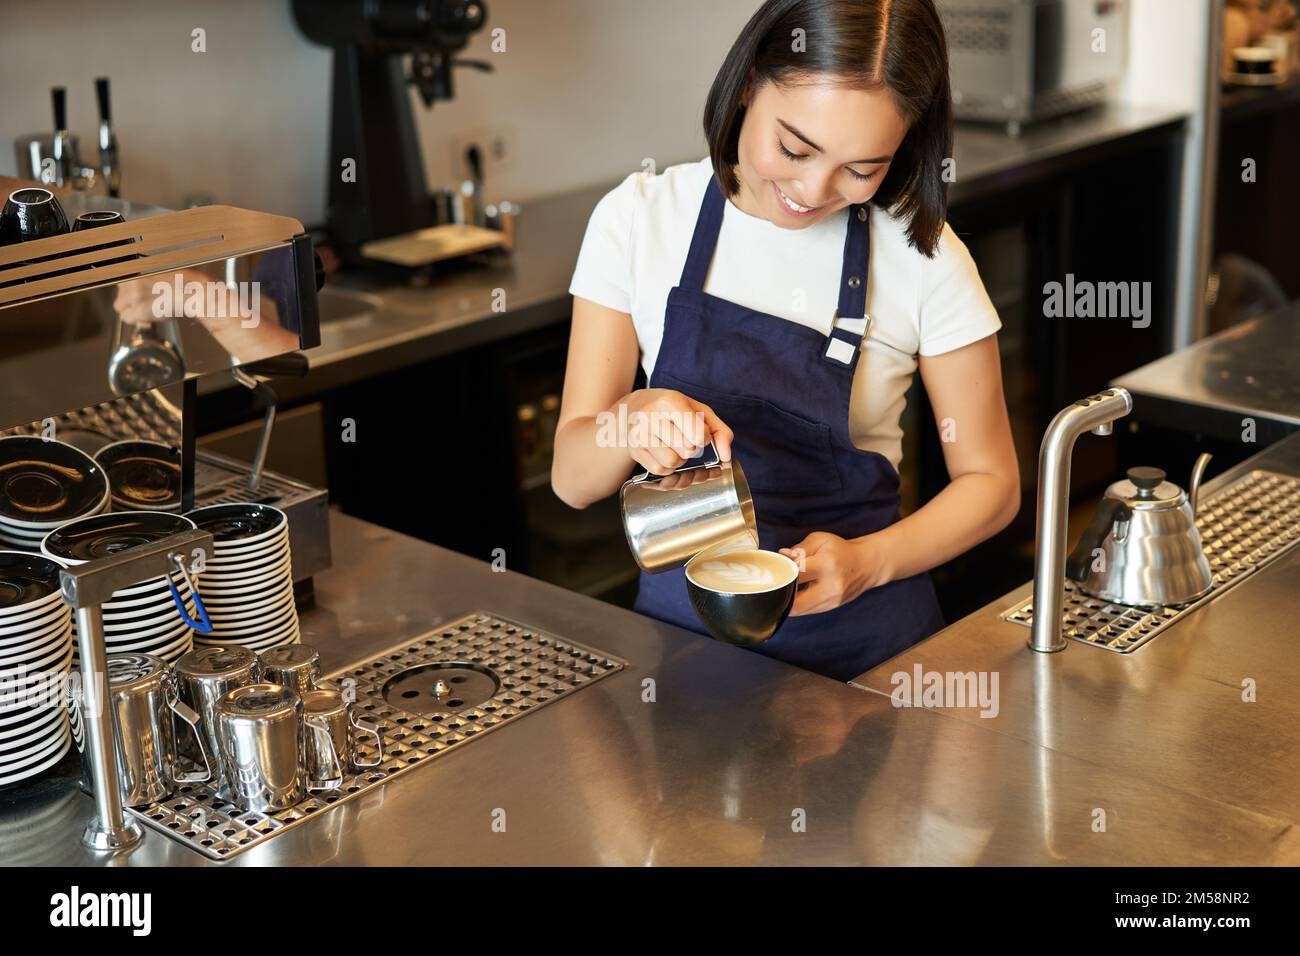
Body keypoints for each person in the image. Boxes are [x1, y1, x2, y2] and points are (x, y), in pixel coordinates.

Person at [553, 0, 1019, 681]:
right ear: (748, 84)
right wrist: (628, 425)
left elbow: (993, 484)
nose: (811, 190)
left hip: (868, 655)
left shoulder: (924, 256)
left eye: (862, 169)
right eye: (794, 149)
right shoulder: (639, 219)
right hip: (683, 649)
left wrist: (869, 563)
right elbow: (570, 478)